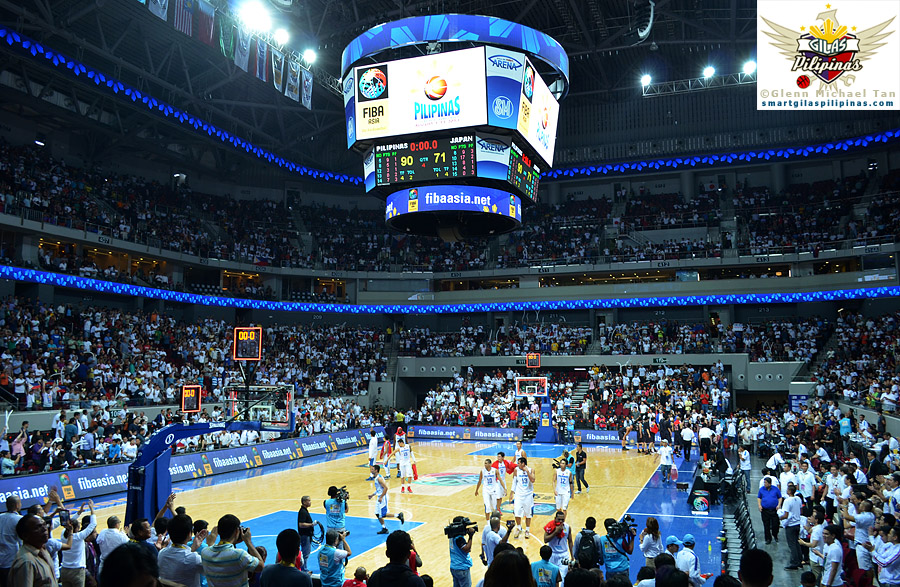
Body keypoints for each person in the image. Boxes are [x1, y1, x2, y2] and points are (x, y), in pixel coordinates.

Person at [200, 514, 263, 587]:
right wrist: (248, 542)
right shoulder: (239, 555)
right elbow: (260, 566)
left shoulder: (205, 552)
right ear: (237, 531)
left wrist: (210, 543)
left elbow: (221, 553)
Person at [157, 513, 205, 587]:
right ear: (189, 534)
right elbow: (212, 571)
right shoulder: (194, 558)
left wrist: (193, 548)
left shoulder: (162, 553)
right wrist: (210, 544)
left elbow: (182, 558)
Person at [8, 514, 56, 587]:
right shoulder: (26, 562)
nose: (44, 529)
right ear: (25, 536)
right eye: (38, 527)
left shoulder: (42, 550)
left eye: (44, 525)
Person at [60, 500, 97, 587]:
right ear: (76, 528)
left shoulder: (63, 534)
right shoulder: (79, 537)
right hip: (77, 571)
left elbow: (69, 524)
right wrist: (92, 509)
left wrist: (79, 513)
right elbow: (93, 524)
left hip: (64, 570)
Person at [367, 465, 405, 535]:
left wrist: (381, 497)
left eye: (372, 469)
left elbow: (386, 488)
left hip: (383, 497)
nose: (371, 470)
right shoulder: (376, 478)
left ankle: (398, 515)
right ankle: (384, 528)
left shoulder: (379, 479)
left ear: (376, 470)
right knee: (377, 513)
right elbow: (379, 490)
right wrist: (372, 495)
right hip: (380, 497)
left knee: (383, 514)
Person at [510, 457, 536, 539]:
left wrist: (527, 472)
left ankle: (527, 529)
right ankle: (518, 527)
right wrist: (511, 493)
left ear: (523, 464)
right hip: (518, 494)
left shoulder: (531, 470)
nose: (517, 464)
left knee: (528, 513)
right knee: (517, 512)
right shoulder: (516, 470)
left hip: (528, 495)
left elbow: (533, 480)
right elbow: (514, 482)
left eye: (519, 463)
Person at [0, 496, 23, 587]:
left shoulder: (0, 517)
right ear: (17, 505)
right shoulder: (19, 519)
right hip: (12, 561)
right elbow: (22, 541)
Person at [543, 511, 573, 579]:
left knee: (563, 578)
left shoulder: (567, 527)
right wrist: (555, 532)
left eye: (562, 520)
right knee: (550, 577)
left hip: (563, 555)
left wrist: (572, 556)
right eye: (559, 519)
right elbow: (545, 539)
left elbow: (570, 541)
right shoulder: (550, 526)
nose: (560, 521)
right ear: (555, 518)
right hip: (552, 554)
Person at [780, 484, 803, 570]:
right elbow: (800, 510)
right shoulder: (798, 499)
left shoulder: (787, 501)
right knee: (796, 543)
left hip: (791, 524)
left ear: (789, 491)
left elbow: (786, 515)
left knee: (792, 544)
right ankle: (799, 560)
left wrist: (779, 517)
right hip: (797, 523)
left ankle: (794, 562)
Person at [448, 516, 475, 587]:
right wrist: (471, 536)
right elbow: (467, 549)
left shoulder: (452, 536)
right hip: (461, 568)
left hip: (454, 567)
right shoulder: (459, 538)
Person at [757, 477, 782, 544]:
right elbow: (759, 497)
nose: (764, 484)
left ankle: (775, 534)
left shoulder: (775, 489)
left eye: (766, 482)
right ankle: (768, 539)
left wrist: (779, 505)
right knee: (766, 525)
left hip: (774, 510)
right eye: (764, 482)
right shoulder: (761, 489)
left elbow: (780, 497)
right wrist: (759, 505)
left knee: (775, 524)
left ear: (770, 483)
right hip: (765, 510)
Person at [296, 496, 314, 572]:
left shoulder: (304, 510)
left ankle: (303, 568)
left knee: (305, 552)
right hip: (305, 535)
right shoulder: (303, 512)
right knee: (305, 553)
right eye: (308, 500)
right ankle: (304, 569)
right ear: (304, 502)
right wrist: (311, 525)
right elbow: (301, 524)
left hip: (306, 535)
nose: (310, 502)